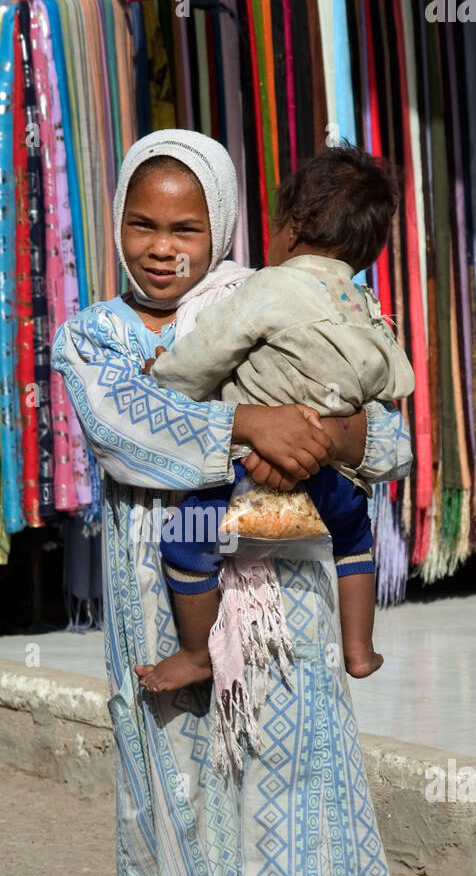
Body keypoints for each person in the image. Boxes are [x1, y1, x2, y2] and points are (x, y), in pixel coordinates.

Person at [51, 130, 411, 876]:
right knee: (165, 820)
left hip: (277, 615)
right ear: (116, 223)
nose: (164, 245)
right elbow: (135, 435)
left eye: (187, 225)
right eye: (143, 222)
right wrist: (251, 424)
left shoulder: (289, 293)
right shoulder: (91, 337)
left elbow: (389, 434)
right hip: (156, 608)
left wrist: (328, 432)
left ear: (228, 226)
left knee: (286, 816)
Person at [136, 144, 414, 692]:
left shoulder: (268, 286)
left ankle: (196, 653)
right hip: (336, 486)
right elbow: (395, 388)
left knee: (185, 541)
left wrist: (166, 374)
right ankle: (359, 649)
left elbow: (208, 352)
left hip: (249, 476)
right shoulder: (364, 305)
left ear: (290, 226)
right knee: (355, 541)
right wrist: (335, 433)